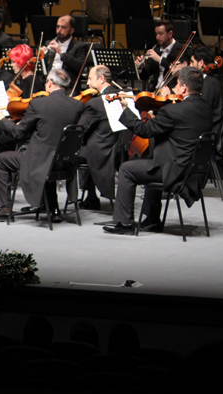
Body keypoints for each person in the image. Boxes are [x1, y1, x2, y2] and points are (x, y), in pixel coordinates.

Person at [103, 66, 212, 235]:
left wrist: (126, 110)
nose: (174, 88)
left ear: (184, 88)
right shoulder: (206, 109)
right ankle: (152, 220)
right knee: (154, 159)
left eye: (176, 84)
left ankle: (123, 222)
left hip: (176, 172)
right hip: (195, 171)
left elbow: (144, 130)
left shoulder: (173, 111)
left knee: (127, 169)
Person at [0, 69, 84, 222]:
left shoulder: (39, 104)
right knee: (48, 150)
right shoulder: (77, 105)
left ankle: (3, 207)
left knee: (0, 159)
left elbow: (18, 133)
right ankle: (51, 208)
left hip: (41, 162)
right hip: (64, 163)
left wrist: (2, 118)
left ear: (50, 84)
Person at [76, 65, 122, 210]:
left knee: (70, 150)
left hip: (100, 151)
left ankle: (83, 196)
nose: (88, 84)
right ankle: (90, 196)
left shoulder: (95, 103)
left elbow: (80, 130)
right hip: (118, 148)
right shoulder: (121, 96)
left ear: (101, 79)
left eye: (90, 79)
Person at [34, 15, 91, 93]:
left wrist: (61, 53)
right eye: (58, 27)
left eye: (63, 27)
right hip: (49, 85)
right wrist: (41, 57)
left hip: (67, 88)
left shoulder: (80, 46)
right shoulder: (49, 43)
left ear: (71, 30)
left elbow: (80, 66)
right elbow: (42, 68)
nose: (59, 30)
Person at [136, 20, 178, 91]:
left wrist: (159, 59)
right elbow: (144, 76)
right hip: (155, 90)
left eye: (161, 34)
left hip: (171, 92)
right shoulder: (156, 49)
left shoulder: (180, 48)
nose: (157, 38)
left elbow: (176, 67)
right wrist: (141, 67)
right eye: (156, 34)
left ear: (170, 34)